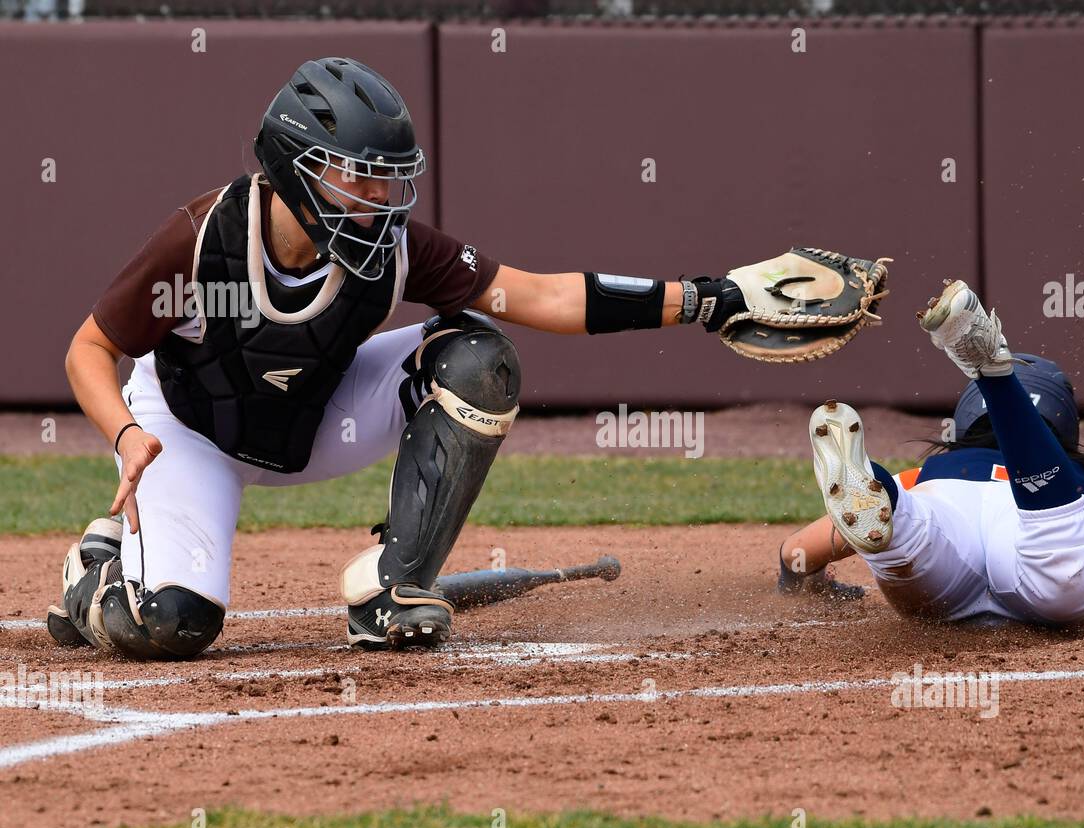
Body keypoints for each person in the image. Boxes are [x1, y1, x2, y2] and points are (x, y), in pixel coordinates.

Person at [47, 56, 762, 659]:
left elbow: (539, 296)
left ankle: (393, 587)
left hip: (317, 417)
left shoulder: (394, 248)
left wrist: (706, 299)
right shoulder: (203, 239)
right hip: (187, 432)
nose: (381, 199)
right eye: (358, 177)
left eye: (389, 179)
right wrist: (126, 433)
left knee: (481, 361)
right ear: (297, 171)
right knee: (170, 624)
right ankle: (93, 570)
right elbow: (90, 348)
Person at [777, 279, 1084, 624]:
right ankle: (995, 375)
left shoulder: (926, 475)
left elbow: (796, 552)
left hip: (943, 550)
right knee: (1058, 539)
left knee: (907, 535)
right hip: (1046, 580)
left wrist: (813, 588)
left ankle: (892, 513)